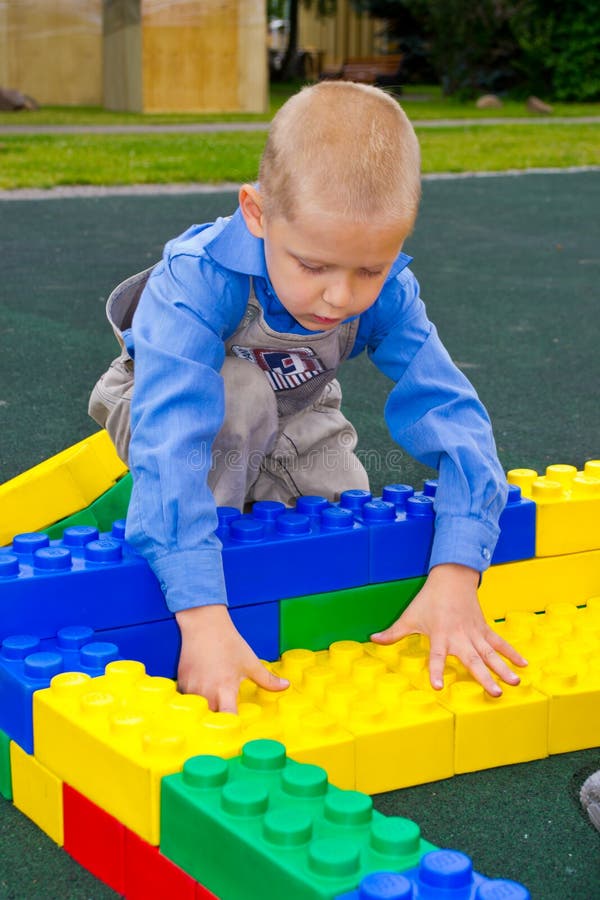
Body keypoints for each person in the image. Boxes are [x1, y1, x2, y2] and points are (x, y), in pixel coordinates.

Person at [89, 81, 527, 712]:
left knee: (341, 511)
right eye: (313, 266)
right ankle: (194, 572)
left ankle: (242, 529)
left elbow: (450, 411)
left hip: (298, 406)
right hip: (164, 403)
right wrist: (202, 611)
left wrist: (459, 572)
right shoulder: (198, 277)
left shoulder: (388, 290)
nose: (341, 298)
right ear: (257, 213)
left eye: (368, 271)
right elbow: (172, 431)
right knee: (235, 398)